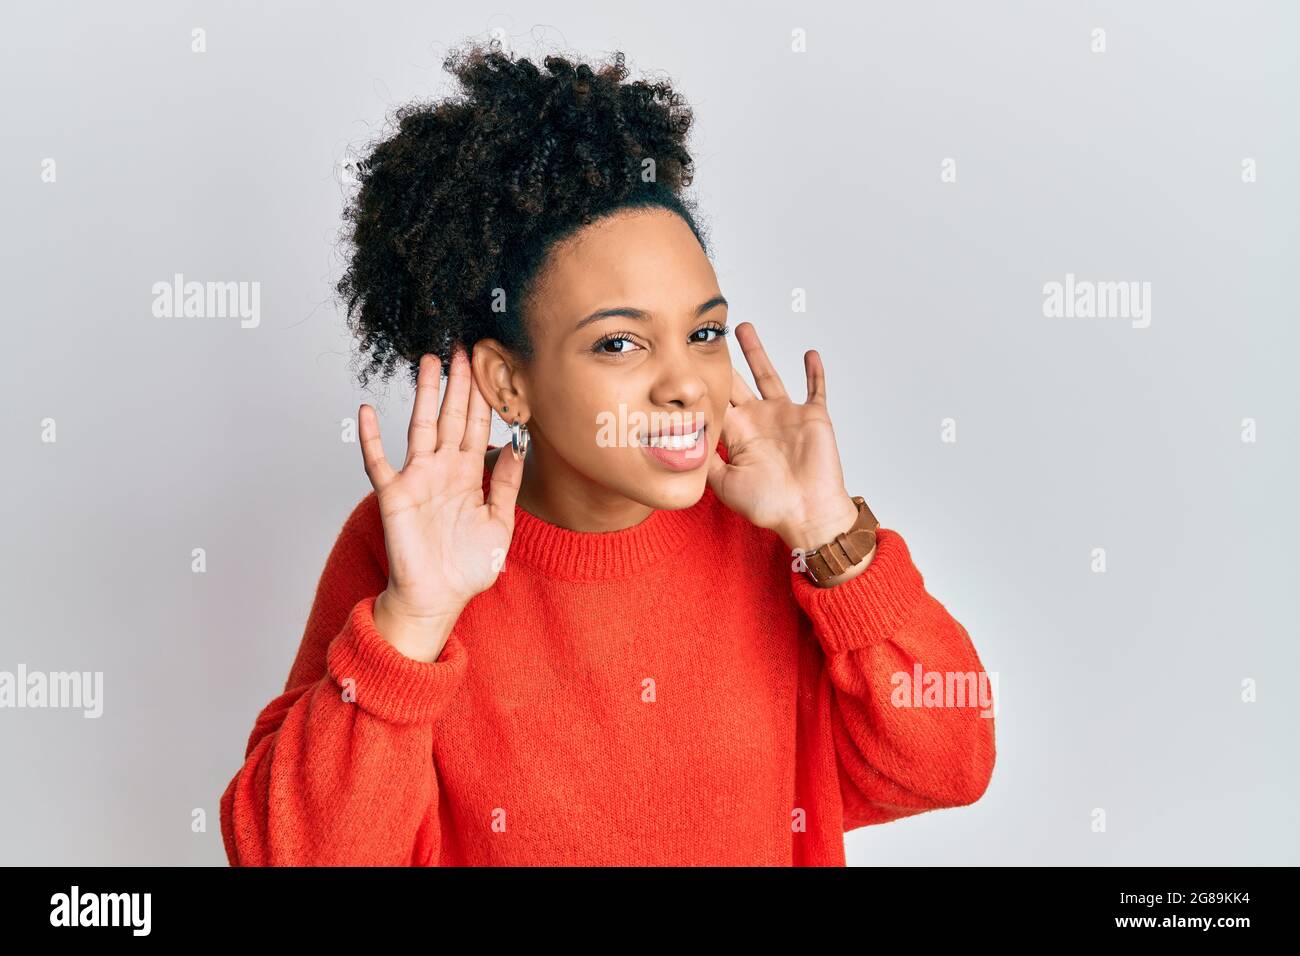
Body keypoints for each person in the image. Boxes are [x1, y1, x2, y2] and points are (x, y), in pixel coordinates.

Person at [219, 40, 995, 866]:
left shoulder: (778, 537)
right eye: (621, 344)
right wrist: (414, 620)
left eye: (702, 333)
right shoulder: (412, 546)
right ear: (506, 383)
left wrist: (832, 537)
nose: (687, 385)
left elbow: (950, 766)